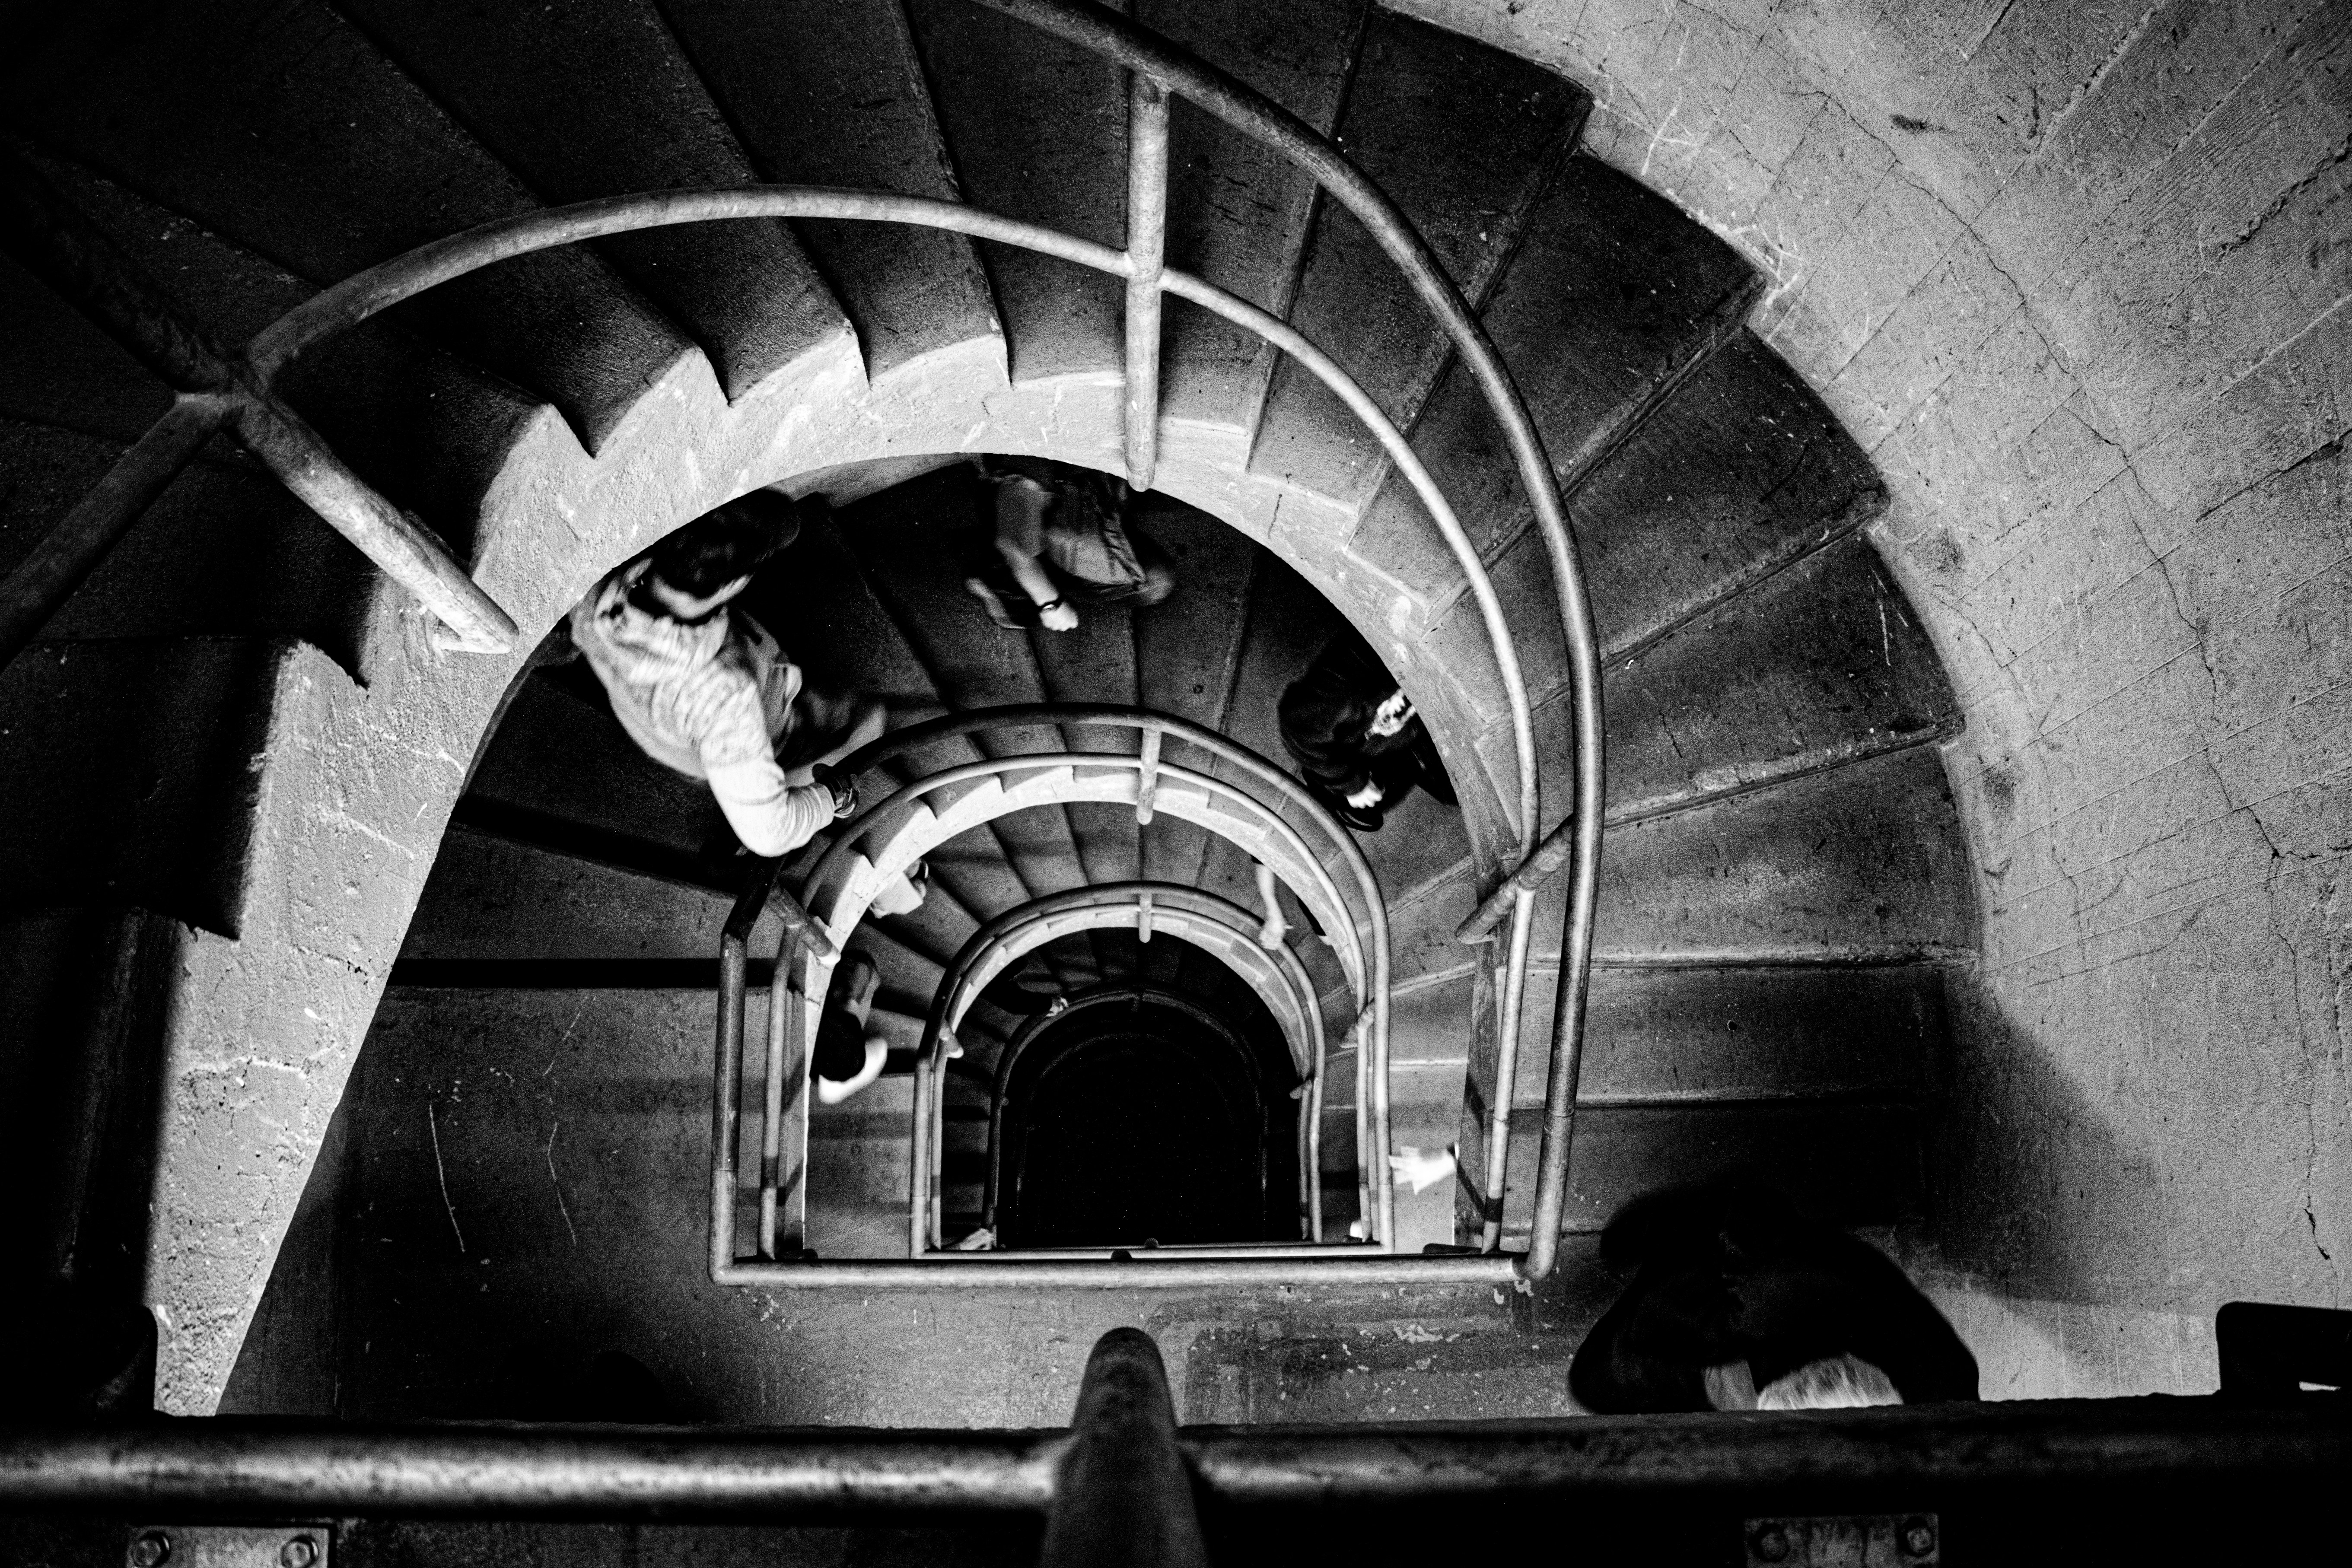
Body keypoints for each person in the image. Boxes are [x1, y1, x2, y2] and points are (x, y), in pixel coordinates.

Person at [570, 489, 924, 914]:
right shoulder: (722, 697)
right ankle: (759, 814)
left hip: (663, 730)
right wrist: (830, 796)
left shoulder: (598, 586)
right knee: (867, 720)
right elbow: (772, 831)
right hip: (731, 734)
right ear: (735, 582)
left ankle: (747, 814)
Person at [1568, 1177, 1978, 1414]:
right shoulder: (1766, 1299)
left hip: (1778, 1343)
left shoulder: (1945, 1387)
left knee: (1607, 1381)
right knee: (1602, 1376)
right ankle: (1691, 1236)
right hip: (1756, 1297)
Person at [960, 456, 1176, 631]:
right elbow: (1013, 547)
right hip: (1062, 503)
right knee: (1156, 583)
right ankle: (1016, 582)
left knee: (1156, 584)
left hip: (1062, 508)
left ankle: (1010, 581)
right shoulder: (1023, 480)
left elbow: (1014, 549)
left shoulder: (1025, 479)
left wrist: (1052, 606)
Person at [1277, 628, 1456, 833]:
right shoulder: (1379, 752)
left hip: (1413, 644)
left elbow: (1298, 727)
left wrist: (1352, 785)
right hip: (1428, 713)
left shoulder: (1343, 696)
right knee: (1451, 793)